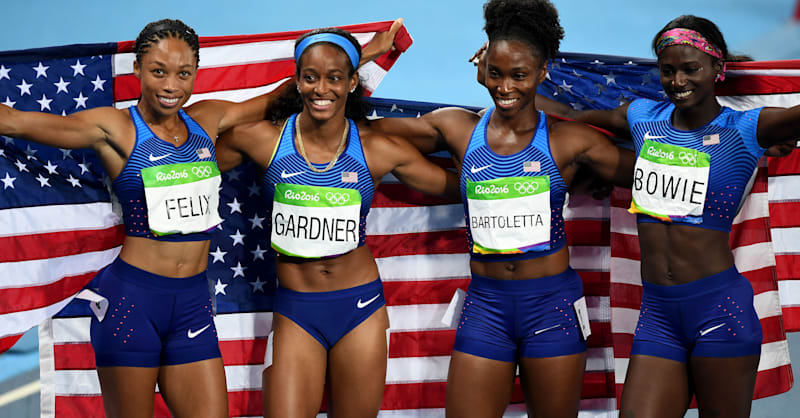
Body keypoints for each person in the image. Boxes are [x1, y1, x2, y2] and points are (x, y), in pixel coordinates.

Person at [0, 18, 400, 418]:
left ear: (196, 74)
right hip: (131, 303)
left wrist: (361, 55)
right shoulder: (115, 128)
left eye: (183, 73)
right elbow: (16, 121)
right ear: (137, 70)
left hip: (192, 305)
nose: (171, 85)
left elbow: (288, 95)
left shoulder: (207, 121)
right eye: (158, 72)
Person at [366, 1, 634, 416]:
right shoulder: (457, 128)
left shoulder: (569, 141)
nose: (505, 87)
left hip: (551, 306)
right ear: (483, 67)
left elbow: (656, 171)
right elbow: (355, 130)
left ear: (543, 72)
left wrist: (743, 142)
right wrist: (364, 58)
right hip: (486, 306)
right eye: (495, 73)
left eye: (519, 75)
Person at [536, 14, 800, 418]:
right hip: (658, 315)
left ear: (718, 69)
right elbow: (569, 120)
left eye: (690, 69)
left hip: (719, 309)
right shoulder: (644, 117)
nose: (678, 81)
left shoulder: (747, 127)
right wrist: (515, 82)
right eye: (668, 71)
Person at [215, 26, 459, 418]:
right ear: (296, 81)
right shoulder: (263, 141)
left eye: (333, 78)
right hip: (296, 311)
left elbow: (463, 187)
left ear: (351, 84)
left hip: (358, 307)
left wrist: (546, 175)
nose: (320, 89)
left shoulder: (377, 148)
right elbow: (191, 161)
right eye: (309, 77)